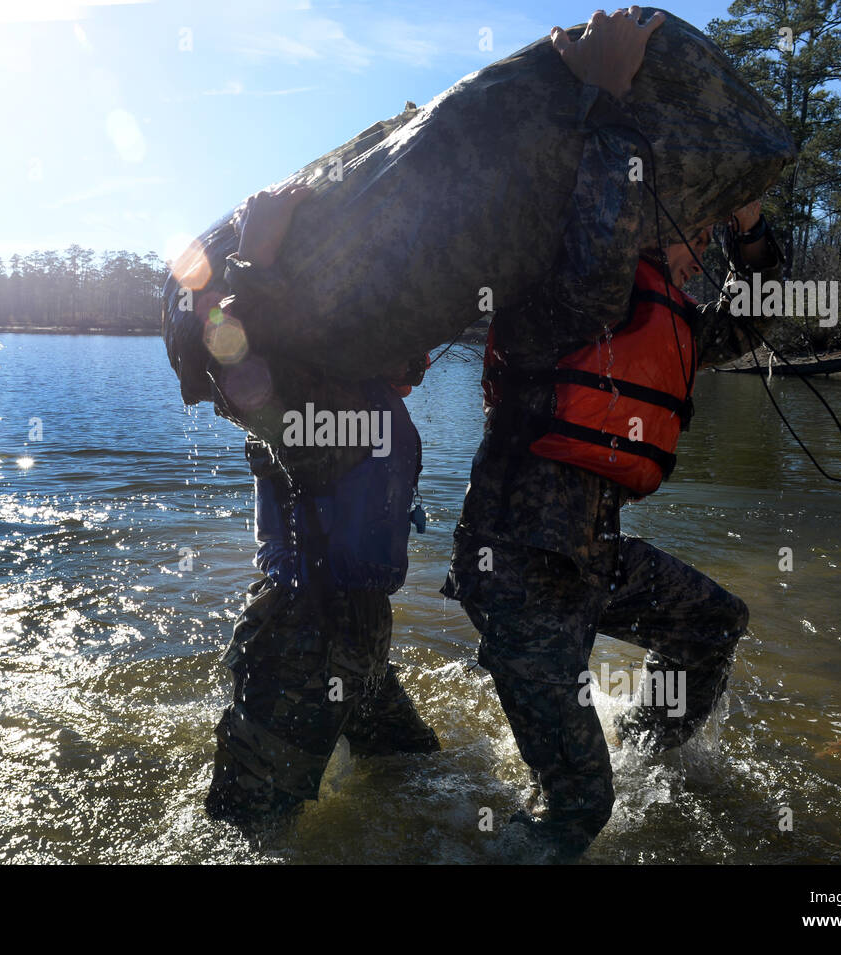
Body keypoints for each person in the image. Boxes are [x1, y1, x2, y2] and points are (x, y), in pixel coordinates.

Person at [441, 7, 785, 860]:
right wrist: (606, 98)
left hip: (590, 561)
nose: (697, 233)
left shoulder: (668, 319)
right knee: (579, 809)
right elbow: (598, 252)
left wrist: (748, 227)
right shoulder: (561, 280)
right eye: (693, 220)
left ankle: (639, 760)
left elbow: (761, 319)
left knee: (713, 622)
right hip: (519, 568)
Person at [200, 186, 440, 831]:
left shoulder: (365, 399)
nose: (419, 360)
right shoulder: (314, 399)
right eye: (404, 342)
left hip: (358, 635)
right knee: (246, 833)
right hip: (297, 638)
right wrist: (254, 254)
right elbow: (240, 348)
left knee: (414, 774)